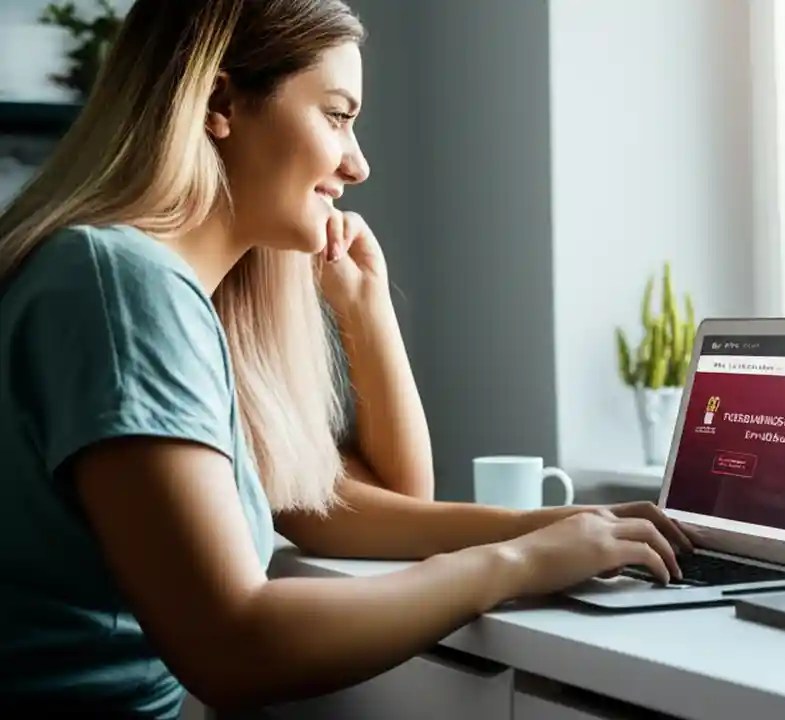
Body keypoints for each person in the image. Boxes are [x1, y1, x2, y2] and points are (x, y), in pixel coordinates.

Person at [0, 1, 691, 716]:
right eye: (336, 116)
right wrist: (516, 564)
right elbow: (233, 647)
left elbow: (376, 506)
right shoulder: (119, 287)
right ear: (220, 102)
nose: (357, 163)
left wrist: (369, 313)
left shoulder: (148, 291)